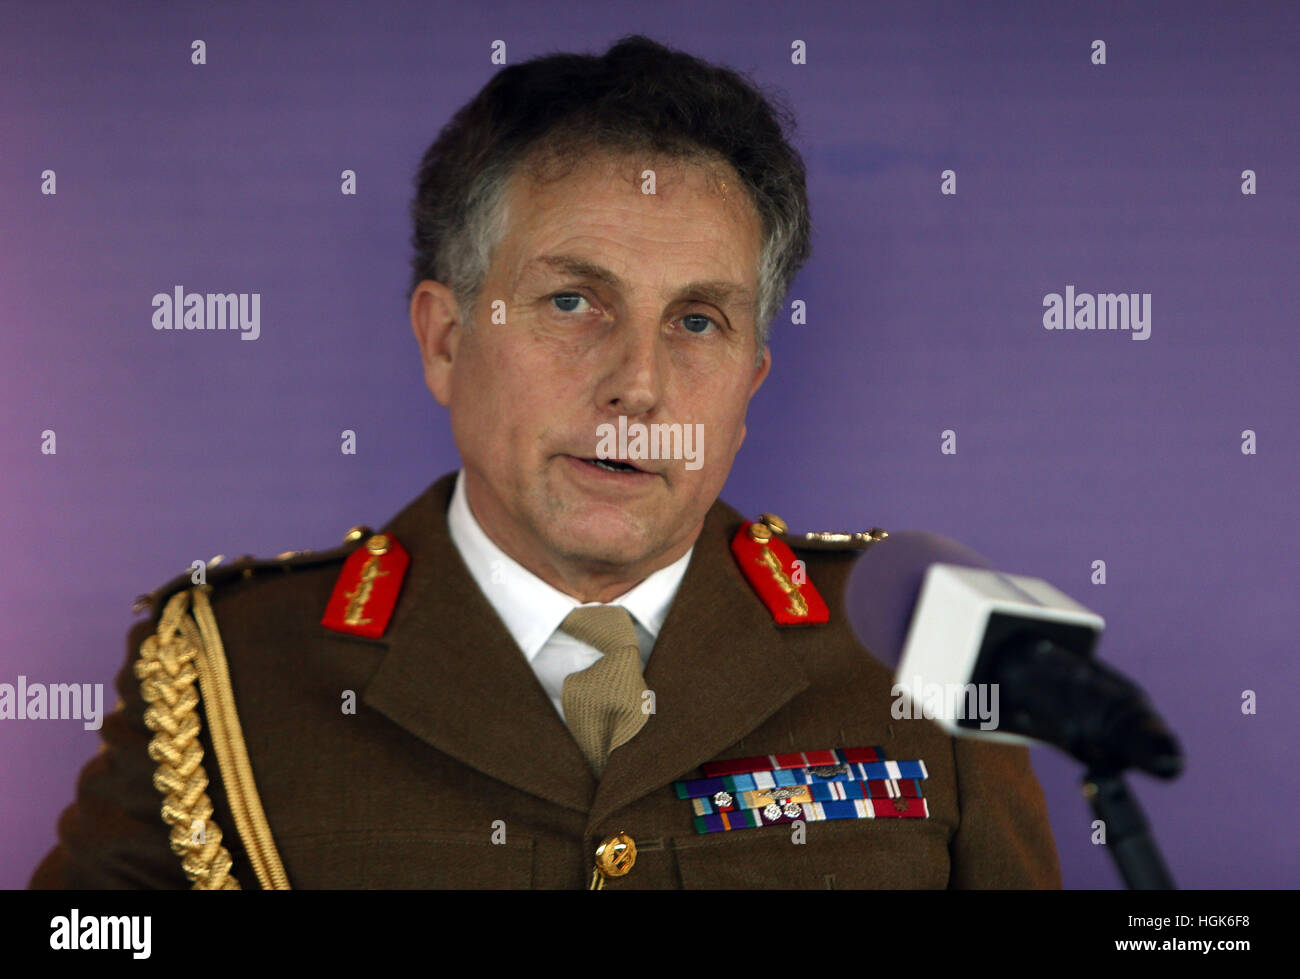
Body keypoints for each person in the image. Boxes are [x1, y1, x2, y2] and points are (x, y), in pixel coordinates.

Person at [30, 34, 1061, 889]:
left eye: (697, 320)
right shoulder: (238, 672)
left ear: (749, 380)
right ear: (444, 340)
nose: (638, 385)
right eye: (573, 302)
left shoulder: (925, 648)